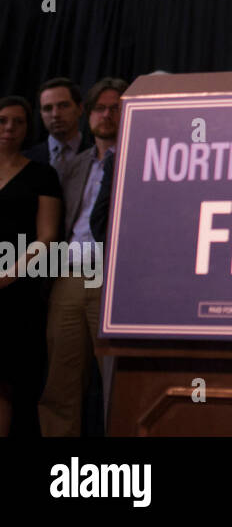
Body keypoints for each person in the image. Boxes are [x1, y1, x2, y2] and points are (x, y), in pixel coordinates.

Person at [38, 77, 124, 437]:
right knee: (61, 380)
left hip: (116, 277)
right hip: (70, 274)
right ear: (88, 114)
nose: (106, 115)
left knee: (116, 383)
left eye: (115, 108)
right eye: (100, 108)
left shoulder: (143, 157)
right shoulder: (74, 165)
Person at [0, 96, 60, 437]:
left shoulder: (41, 174)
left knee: (5, 382)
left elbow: (47, 236)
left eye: (18, 122)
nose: (10, 128)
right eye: (3, 120)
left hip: (17, 289)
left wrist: (8, 275)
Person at [23, 78, 90, 179]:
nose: (55, 114)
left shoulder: (98, 156)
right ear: (41, 114)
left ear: (80, 108)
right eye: (48, 108)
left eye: (63, 106)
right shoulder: (26, 159)